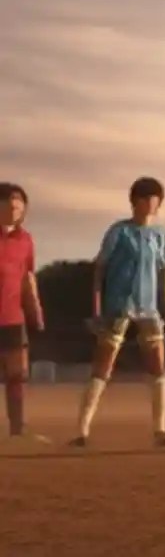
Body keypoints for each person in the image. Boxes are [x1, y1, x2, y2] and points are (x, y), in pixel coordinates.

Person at [70, 177, 165, 448]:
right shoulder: (119, 232)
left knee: (157, 367)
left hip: (149, 309)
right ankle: (82, 429)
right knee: (104, 366)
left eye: (154, 198)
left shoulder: (162, 236)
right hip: (119, 305)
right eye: (144, 198)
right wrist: (97, 308)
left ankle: (160, 429)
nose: (149, 203)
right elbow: (100, 268)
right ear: (134, 201)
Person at [0, 183, 46, 444]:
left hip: (13, 317)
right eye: (8, 206)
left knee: (17, 375)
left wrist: (35, 309)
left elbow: (28, 277)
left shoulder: (25, 239)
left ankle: (18, 429)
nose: (14, 211)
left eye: (19, 207)